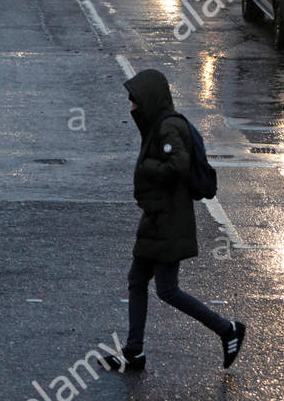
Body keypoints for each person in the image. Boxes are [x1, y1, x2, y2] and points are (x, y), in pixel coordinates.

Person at [105, 69, 246, 373]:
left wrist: (148, 169)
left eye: (135, 102)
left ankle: (227, 329)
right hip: (157, 217)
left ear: (150, 100)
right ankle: (134, 352)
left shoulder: (167, 128)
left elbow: (178, 165)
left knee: (167, 289)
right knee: (137, 280)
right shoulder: (158, 124)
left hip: (169, 220)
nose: (132, 109)